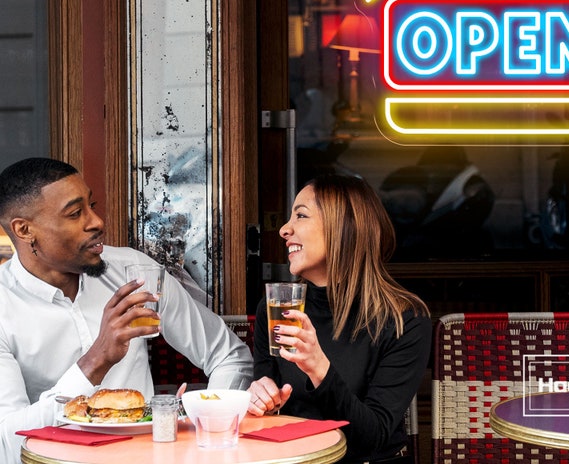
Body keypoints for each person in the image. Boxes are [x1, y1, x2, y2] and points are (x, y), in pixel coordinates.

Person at [0, 157, 253, 464]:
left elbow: (229, 355)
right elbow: (8, 443)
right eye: (76, 213)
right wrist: (95, 361)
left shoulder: (134, 273)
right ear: (24, 230)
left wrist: (209, 427)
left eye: (91, 206)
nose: (96, 222)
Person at [248, 173, 431, 464]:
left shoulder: (405, 320)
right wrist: (260, 399)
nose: (284, 229)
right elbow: (266, 406)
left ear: (343, 229)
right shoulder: (274, 310)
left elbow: (373, 438)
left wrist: (319, 368)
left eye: (301, 216)